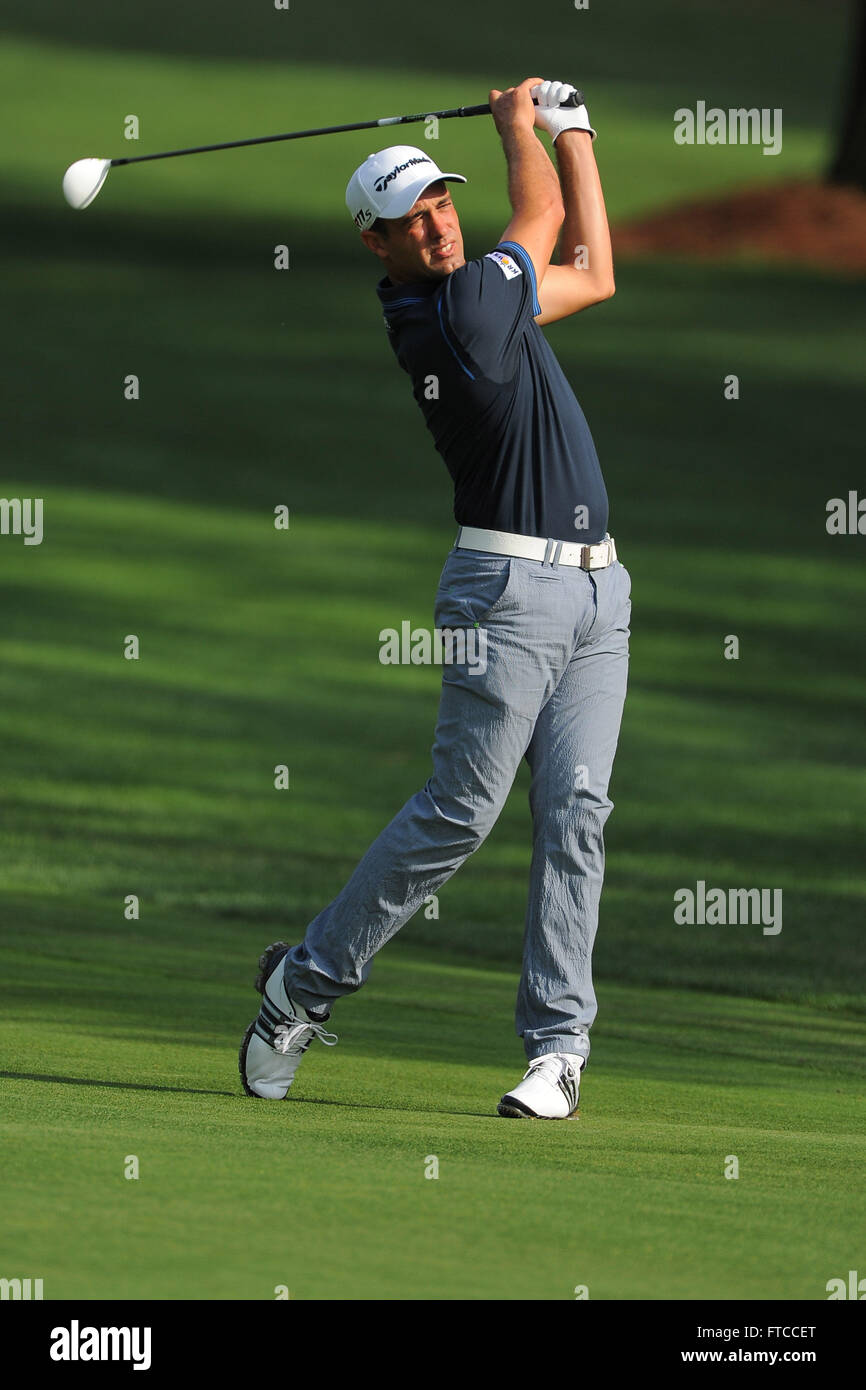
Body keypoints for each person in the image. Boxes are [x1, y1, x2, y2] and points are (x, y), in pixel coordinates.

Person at [239, 77, 631, 1119]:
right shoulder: (450, 315)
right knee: (460, 810)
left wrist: (575, 129)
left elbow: (590, 272)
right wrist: (521, 124)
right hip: (505, 594)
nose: (437, 223)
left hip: (598, 597)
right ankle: (301, 989)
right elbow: (540, 217)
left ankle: (556, 1049)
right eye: (413, 217)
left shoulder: (482, 295)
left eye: (443, 202)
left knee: (575, 816)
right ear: (379, 243)